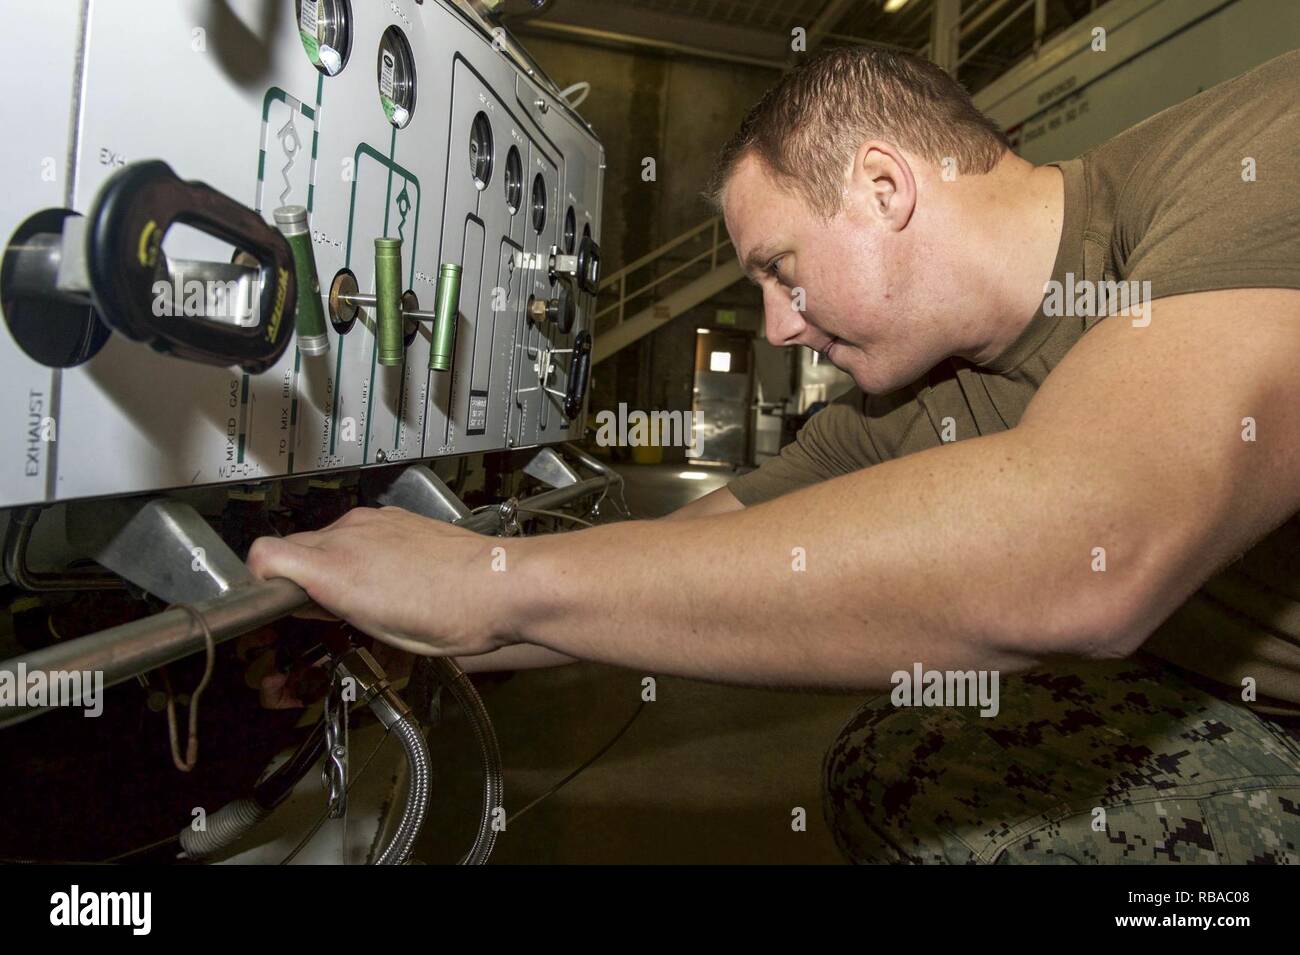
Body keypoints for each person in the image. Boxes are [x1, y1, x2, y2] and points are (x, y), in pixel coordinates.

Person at [249, 46, 1300, 863]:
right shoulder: (909, 400)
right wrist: (397, 630)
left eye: (781, 269)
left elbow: (1089, 551)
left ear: (884, 189)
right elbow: (691, 551)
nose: (778, 326)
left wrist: (493, 583)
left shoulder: (1247, 157)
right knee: (911, 764)